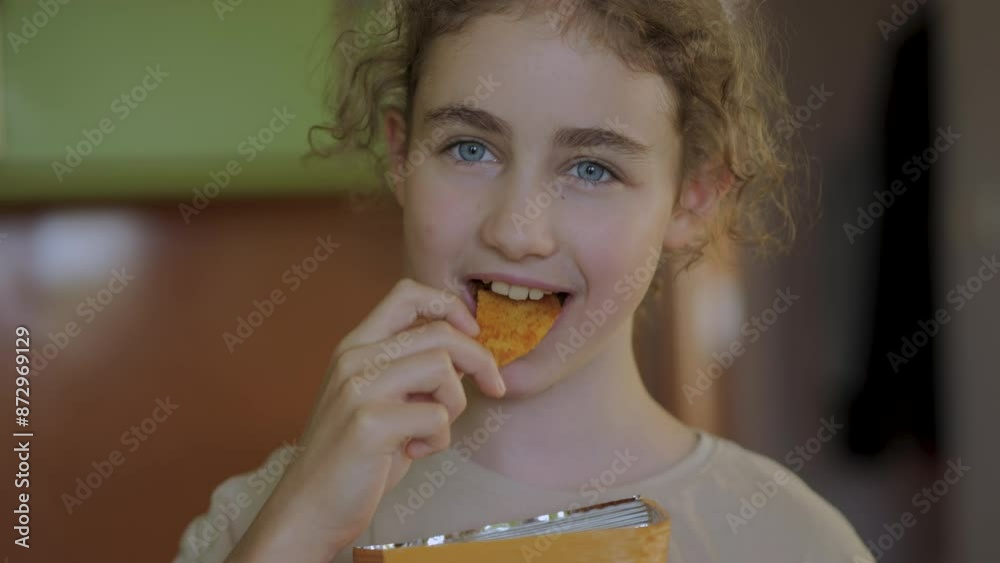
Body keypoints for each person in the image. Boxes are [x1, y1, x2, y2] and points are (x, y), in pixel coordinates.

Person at [174, 1, 868, 561]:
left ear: (693, 197)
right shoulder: (262, 516)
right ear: (399, 155)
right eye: (470, 148)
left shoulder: (793, 539)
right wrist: (295, 537)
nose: (516, 229)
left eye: (592, 167)